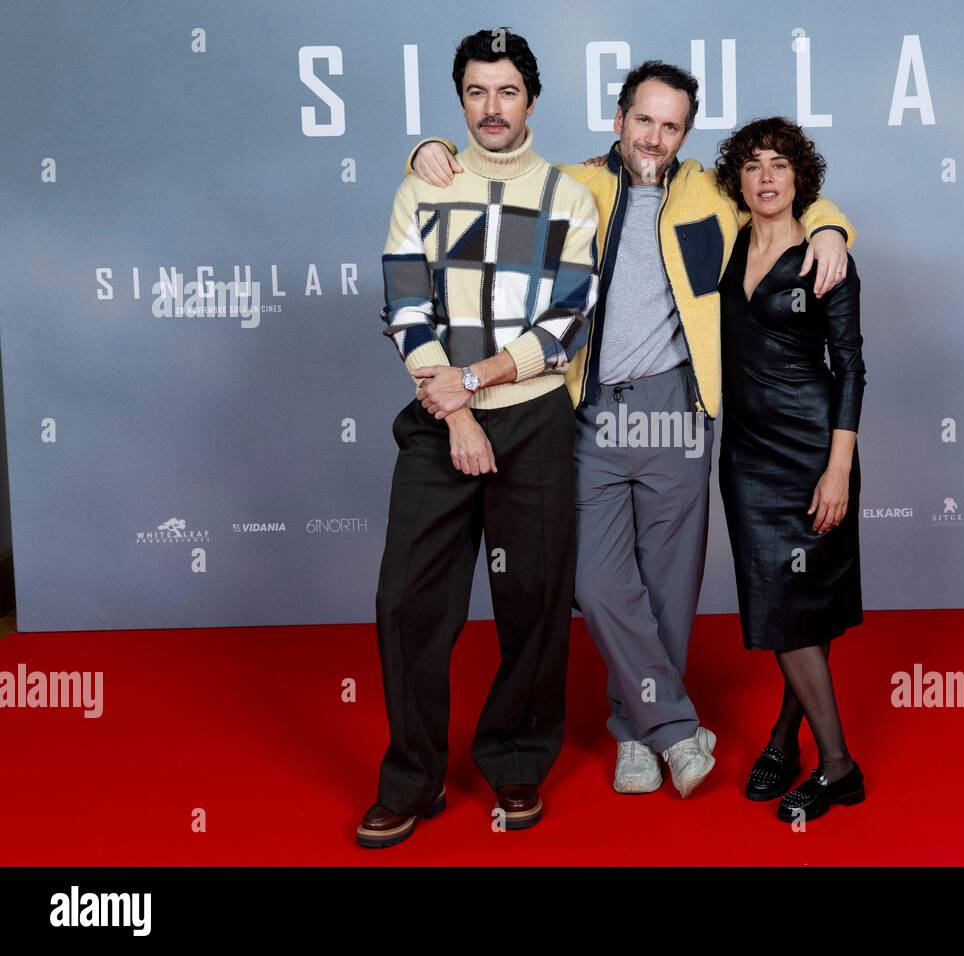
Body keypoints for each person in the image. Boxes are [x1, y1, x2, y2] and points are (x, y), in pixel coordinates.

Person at [408, 62, 856, 799]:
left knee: (668, 586)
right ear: (619, 120)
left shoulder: (712, 193)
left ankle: (633, 735)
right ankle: (677, 727)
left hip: (677, 408)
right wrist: (425, 150)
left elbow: (785, 198)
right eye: (643, 120)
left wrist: (833, 225)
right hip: (590, 411)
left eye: (671, 125)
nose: (655, 136)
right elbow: (493, 173)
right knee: (598, 579)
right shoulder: (574, 184)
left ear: (685, 134)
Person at [356, 29, 599, 848]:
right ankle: (412, 779)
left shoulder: (567, 195)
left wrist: (480, 379)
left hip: (531, 414)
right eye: (475, 92)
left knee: (532, 601)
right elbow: (404, 303)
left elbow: (567, 319)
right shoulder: (423, 186)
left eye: (506, 92)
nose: (490, 109)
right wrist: (454, 409)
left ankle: (518, 760)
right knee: (407, 602)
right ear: (459, 99)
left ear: (531, 99)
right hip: (439, 418)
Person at [713, 117, 866, 822]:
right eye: (752, 166)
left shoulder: (824, 254)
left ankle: (837, 767)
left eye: (779, 164)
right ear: (737, 179)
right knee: (783, 605)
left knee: (798, 611)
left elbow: (851, 368)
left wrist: (838, 469)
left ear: (799, 175)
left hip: (812, 449)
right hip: (746, 456)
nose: (766, 177)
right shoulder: (728, 237)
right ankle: (784, 734)